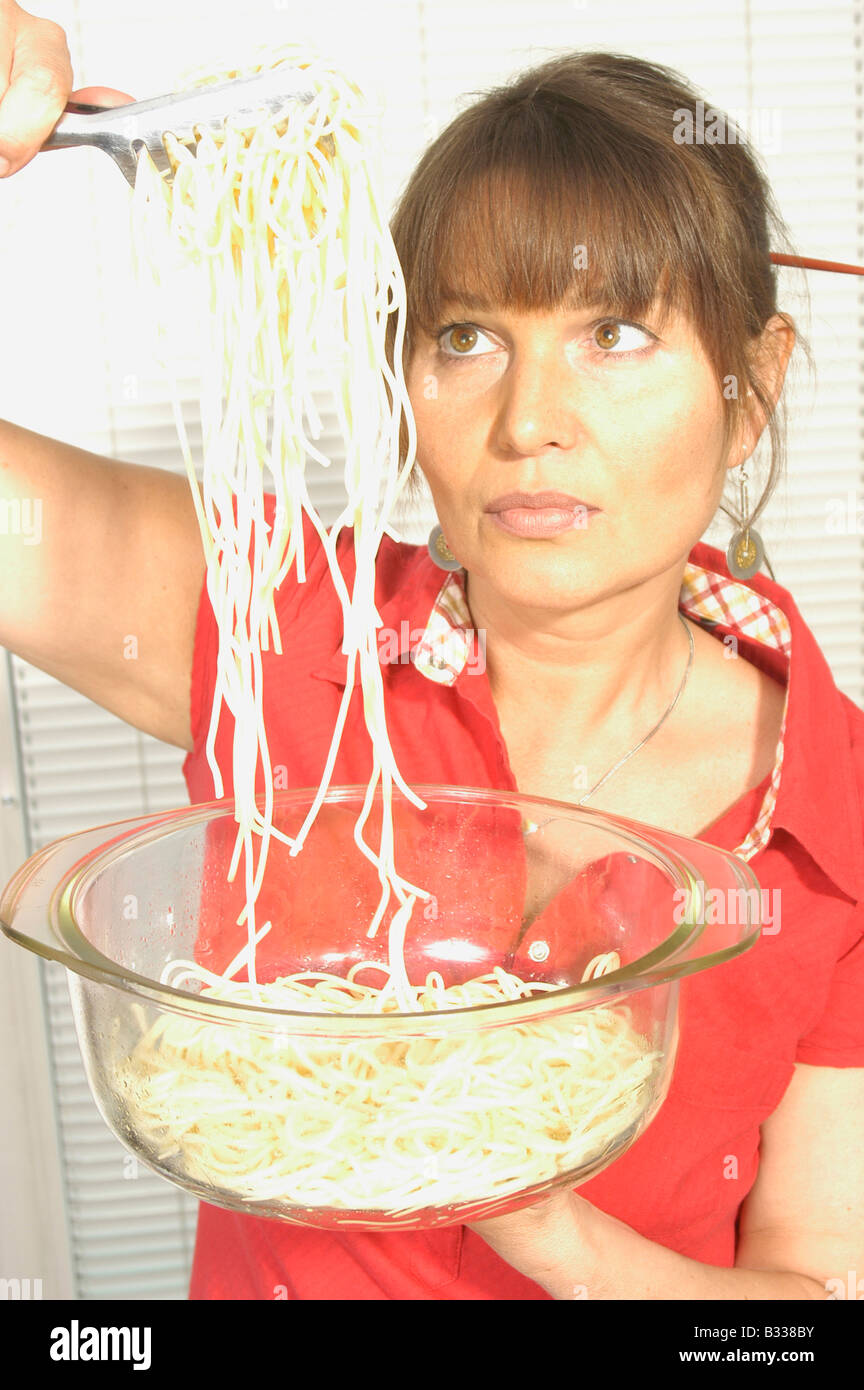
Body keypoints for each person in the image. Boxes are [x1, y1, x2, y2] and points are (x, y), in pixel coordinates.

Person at [1, 1, 862, 1301]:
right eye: (465, 337)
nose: (530, 421)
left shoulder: (835, 817)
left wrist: (545, 1219)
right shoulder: (277, 619)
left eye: (612, 334)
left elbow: (812, 1295)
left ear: (750, 390)